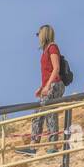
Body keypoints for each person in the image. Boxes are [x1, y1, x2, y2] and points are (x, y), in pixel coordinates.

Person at [30, 24, 64, 152]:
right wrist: (41, 87)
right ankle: (33, 145)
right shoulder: (45, 51)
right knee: (38, 113)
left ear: (44, 34)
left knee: (50, 111)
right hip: (49, 84)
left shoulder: (52, 47)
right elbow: (48, 71)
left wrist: (48, 85)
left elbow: (56, 68)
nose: (38, 37)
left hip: (55, 84)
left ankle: (53, 145)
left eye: (39, 34)